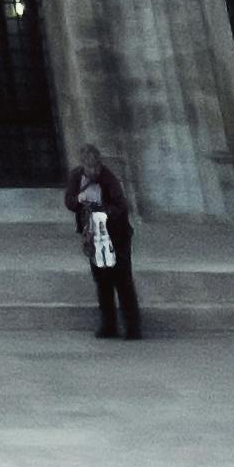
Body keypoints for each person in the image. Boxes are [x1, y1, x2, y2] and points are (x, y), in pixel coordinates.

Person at [64, 144, 139, 340]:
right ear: (83, 166)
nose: (94, 171)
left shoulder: (109, 179)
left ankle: (132, 328)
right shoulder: (76, 177)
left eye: (96, 167)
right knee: (103, 282)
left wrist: (102, 210)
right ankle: (109, 325)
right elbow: (69, 202)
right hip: (94, 236)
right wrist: (79, 199)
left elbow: (121, 206)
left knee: (123, 281)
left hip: (116, 236)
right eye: (90, 168)